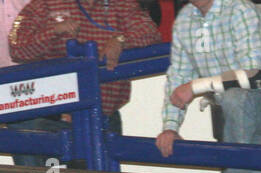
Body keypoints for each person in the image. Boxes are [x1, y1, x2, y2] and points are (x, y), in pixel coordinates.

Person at [155, 0, 261, 173]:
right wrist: (170, 127)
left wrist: (195, 87)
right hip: (234, 113)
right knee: (256, 153)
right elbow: (177, 77)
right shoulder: (185, 20)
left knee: (235, 98)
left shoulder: (241, 10)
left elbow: (252, 76)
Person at [10, 0, 160, 132]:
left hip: (102, 116)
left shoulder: (122, 4)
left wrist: (121, 40)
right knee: (27, 136)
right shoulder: (45, 4)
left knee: (100, 162)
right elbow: (17, 48)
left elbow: (151, 33)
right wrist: (53, 31)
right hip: (52, 118)